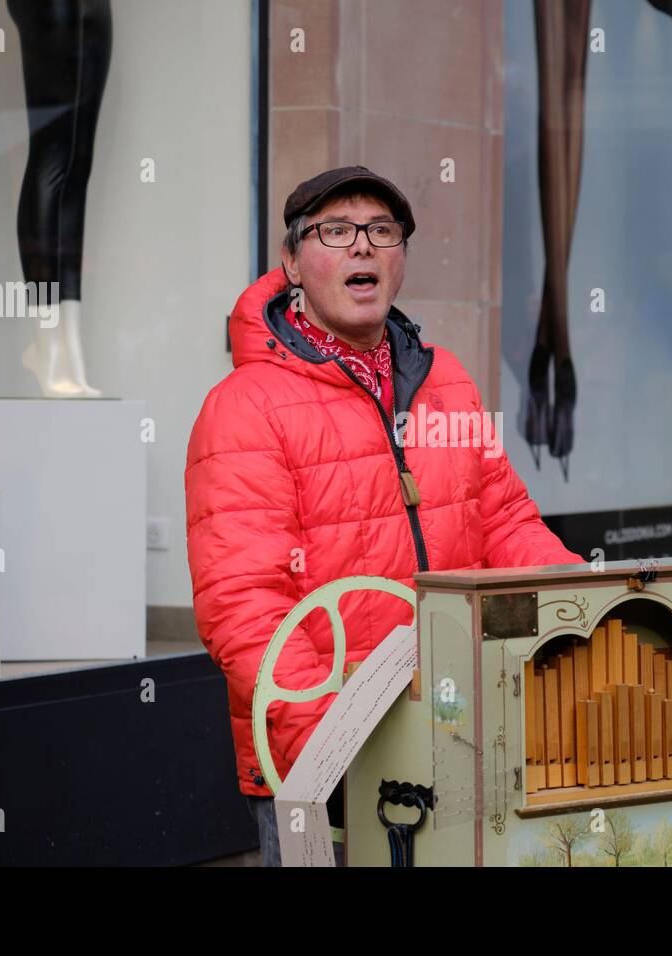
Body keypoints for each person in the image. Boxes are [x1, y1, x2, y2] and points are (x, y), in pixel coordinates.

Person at [185, 166, 581, 865]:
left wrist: (587, 612)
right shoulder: (244, 405)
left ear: (400, 258)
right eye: (335, 232)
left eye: (381, 231)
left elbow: (506, 522)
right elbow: (242, 606)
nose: (361, 247)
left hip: (457, 731)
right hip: (324, 761)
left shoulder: (445, 381)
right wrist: (329, 747)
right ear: (292, 263)